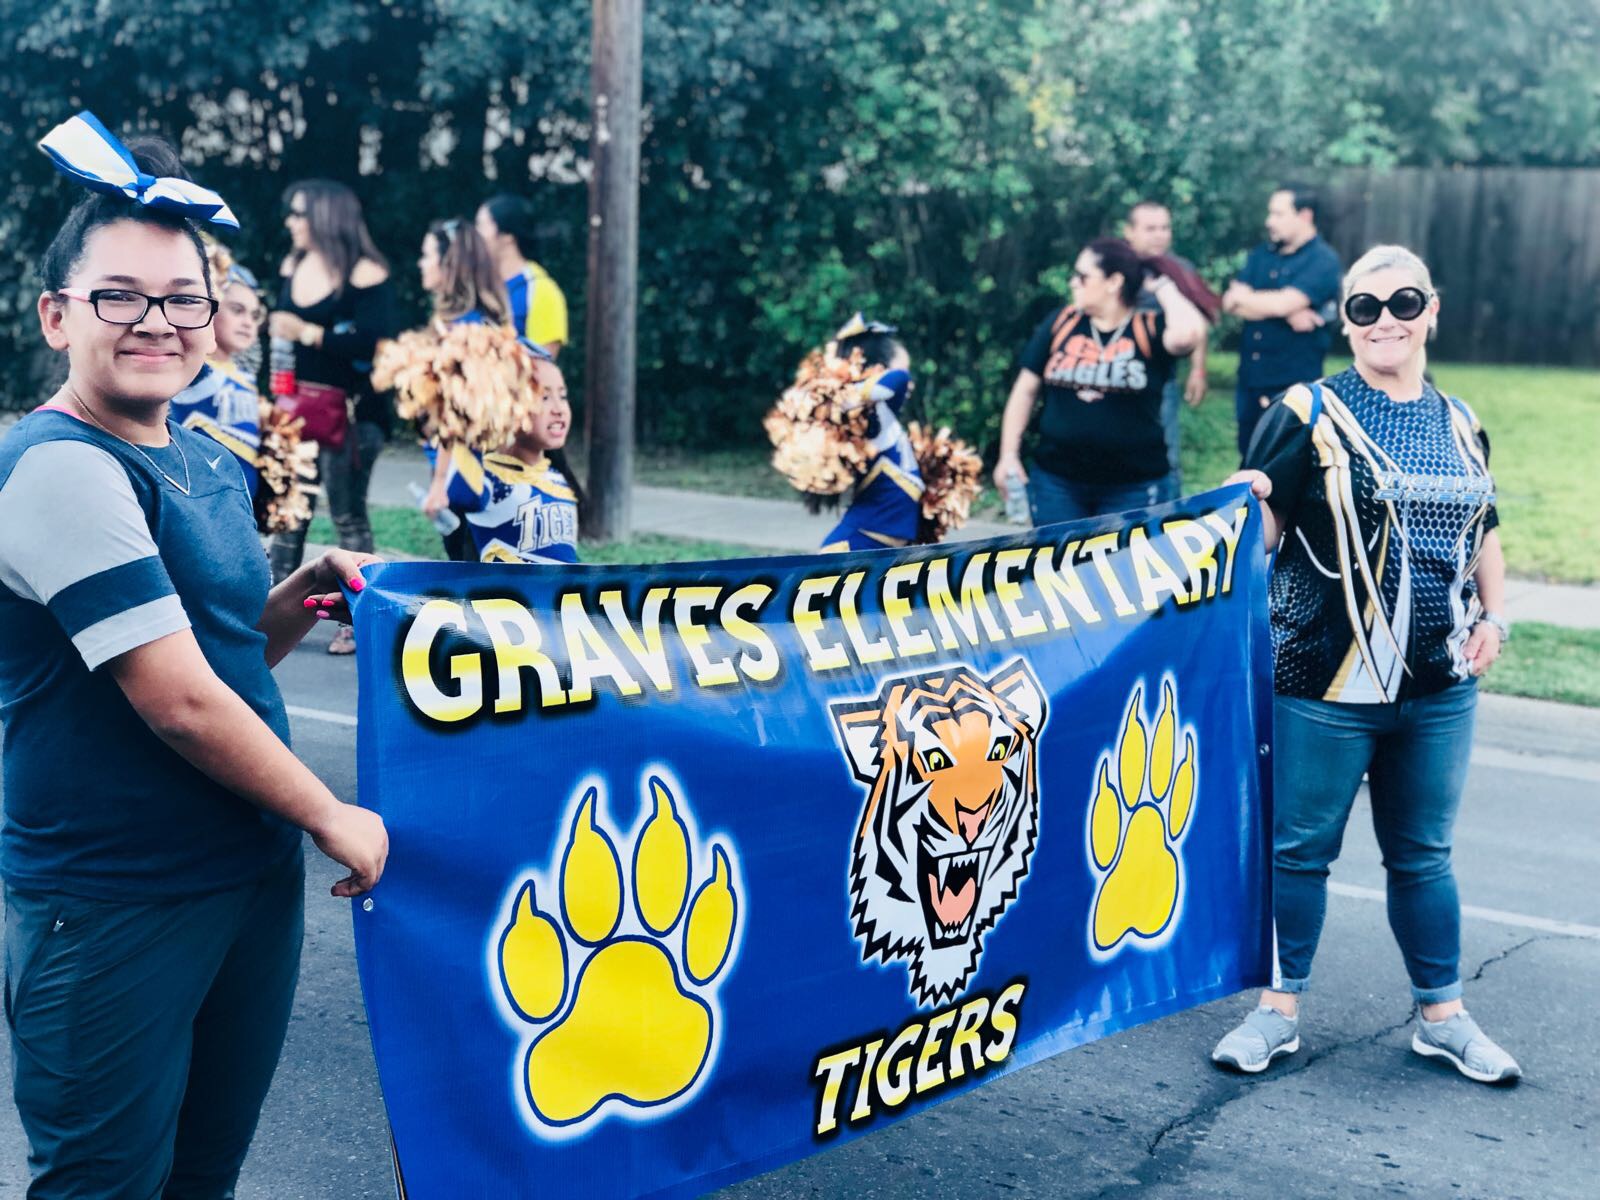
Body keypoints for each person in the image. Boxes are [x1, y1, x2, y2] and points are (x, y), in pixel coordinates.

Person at [3, 113, 388, 1199]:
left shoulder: (202, 456)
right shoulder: (57, 469)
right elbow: (174, 700)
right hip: (116, 903)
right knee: (107, 1185)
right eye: (118, 295)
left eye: (182, 298)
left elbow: (217, 657)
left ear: (213, 319)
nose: (156, 322)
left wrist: (298, 601)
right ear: (57, 314)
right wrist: (331, 811)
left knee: (202, 1177)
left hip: (241, 880)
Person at [1212, 245, 1519, 1085]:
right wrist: (1247, 509)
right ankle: (1276, 1013)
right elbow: (1263, 537)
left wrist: (1495, 614)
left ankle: (1443, 1018)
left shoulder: (1460, 419)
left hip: (1440, 687)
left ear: (1432, 311)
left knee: (1423, 855)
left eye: (1404, 300)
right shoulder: (1305, 410)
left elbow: (1484, 525)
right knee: (1300, 852)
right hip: (1325, 684)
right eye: (1364, 305)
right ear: (1345, 318)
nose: (1385, 318)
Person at [267, 179, 396, 654]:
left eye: (299, 214)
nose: (292, 223)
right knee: (289, 515)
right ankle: (273, 612)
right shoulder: (293, 264)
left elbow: (378, 344)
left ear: (325, 218)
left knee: (346, 515)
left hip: (351, 416)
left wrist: (309, 333)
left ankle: (357, 619)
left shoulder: (365, 271)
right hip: (295, 411)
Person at [994, 237, 1206, 523]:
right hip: (1058, 483)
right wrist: (1008, 454)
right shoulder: (1062, 322)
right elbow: (1025, 390)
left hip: (1133, 487)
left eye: (1082, 276)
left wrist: (1162, 286)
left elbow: (1188, 334)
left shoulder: (1148, 328)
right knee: (1057, 567)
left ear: (1113, 282)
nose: (1073, 283)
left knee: (1121, 568)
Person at [414, 218, 515, 560]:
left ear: (449, 265)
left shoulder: (463, 332)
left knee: (471, 579)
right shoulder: (485, 323)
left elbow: (456, 414)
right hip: (487, 471)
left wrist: (440, 481)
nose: (421, 263)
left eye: (427, 255)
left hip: (465, 473)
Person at [1222, 183, 1343, 457]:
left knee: (1284, 462)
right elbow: (1230, 302)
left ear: (1305, 216)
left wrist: (1254, 298)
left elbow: (1279, 304)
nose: (1269, 222)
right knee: (1249, 458)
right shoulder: (1262, 255)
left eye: (1278, 214)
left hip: (1291, 384)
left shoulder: (1323, 260)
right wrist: (1283, 308)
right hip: (1250, 380)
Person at [444, 354, 582, 564]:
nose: (559, 409)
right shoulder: (492, 480)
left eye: (562, 396)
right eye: (544, 398)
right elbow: (462, 496)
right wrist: (472, 421)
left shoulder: (557, 479)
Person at [1124, 201, 1211, 494]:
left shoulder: (1179, 269)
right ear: (1130, 232)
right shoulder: (1117, 268)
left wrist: (1198, 369)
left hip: (1162, 381)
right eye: (1150, 229)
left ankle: (1170, 526)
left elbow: (1198, 321)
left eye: (1165, 228)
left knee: (1167, 454)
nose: (1159, 235)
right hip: (1117, 377)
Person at [818, 315, 924, 552]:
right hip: (853, 549)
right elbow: (898, 379)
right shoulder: (866, 416)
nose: (910, 382)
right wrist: (844, 391)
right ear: (878, 370)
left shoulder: (882, 415)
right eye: (905, 368)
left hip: (881, 552)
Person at [170, 243, 264, 496]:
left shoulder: (246, 376)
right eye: (237, 310)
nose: (247, 322)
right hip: (202, 500)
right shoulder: (193, 367)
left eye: (255, 316)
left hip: (244, 505)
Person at [475, 194, 569, 358]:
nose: (476, 235)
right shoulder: (476, 285)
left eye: (482, 226)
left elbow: (544, 367)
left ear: (508, 237)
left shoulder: (542, 291)